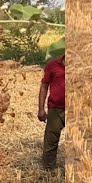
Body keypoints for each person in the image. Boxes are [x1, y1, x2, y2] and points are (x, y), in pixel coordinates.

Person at [39, 41, 65, 169]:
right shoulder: (53, 65)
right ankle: (48, 170)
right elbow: (44, 86)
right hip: (56, 108)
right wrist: (41, 109)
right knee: (51, 141)